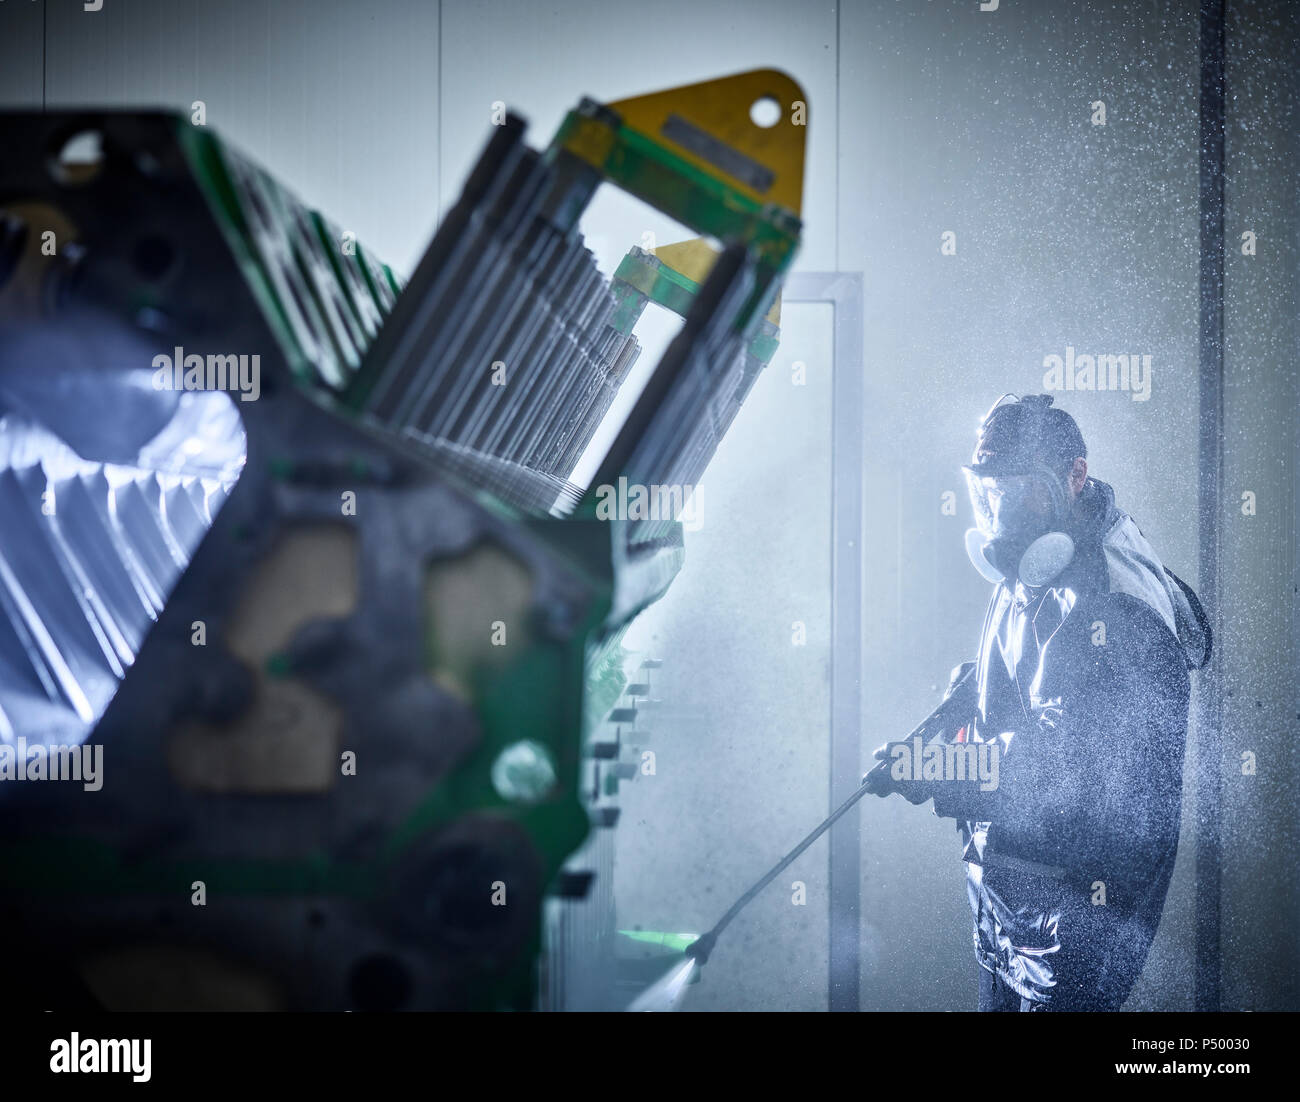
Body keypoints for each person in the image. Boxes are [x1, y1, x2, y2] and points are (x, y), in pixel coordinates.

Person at [866, 393, 1212, 1011]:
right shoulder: (1044, 563)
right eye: (989, 492)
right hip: (1014, 912)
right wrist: (965, 699)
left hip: (1073, 930)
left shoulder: (1110, 604)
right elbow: (1036, 674)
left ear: (1074, 476)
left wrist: (943, 770)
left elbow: (1057, 770)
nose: (1001, 512)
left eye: (1019, 488)